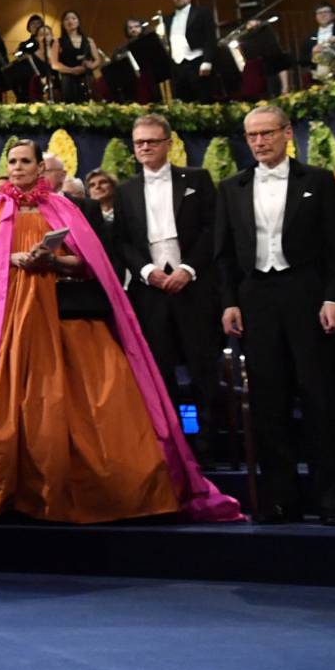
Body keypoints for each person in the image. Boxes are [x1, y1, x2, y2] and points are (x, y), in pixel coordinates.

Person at [0, 140, 239, 523]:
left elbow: (88, 263)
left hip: (63, 318)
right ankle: (7, 490)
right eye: (13, 162)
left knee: (83, 400)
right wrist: (13, 258)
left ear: (41, 168)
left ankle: (94, 488)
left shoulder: (63, 207)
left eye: (26, 162)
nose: (18, 168)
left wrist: (53, 261)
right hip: (9, 325)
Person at [216, 105, 335, 524]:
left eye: (267, 133)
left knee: (318, 397)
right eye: (252, 135)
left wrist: (334, 299)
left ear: (287, 133)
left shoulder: (319, 181)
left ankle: (331, 501)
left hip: (307, 296)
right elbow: (222, 256)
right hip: (256, 297)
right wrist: (229, 301)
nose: (259, 142)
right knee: (268, 402)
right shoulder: (231, 187)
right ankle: (280, 500)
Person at [112, 114, 225, 459]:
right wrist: (147, 271)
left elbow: (213, 229)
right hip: (150, 293)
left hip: (194, 288)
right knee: (159, 370)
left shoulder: (197, 179)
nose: (145, 147)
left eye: (152, 141)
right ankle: (171, 443)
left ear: (169, 143)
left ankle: (210, 443)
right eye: (139, 142)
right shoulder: (126, 190)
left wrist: (188, 269)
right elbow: (123, 242)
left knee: (203, 367)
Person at [165, 0, 224, 103]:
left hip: (197, 62)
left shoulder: (202, 12)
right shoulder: (168, 19)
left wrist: (207, 61)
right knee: (184, 101)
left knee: (204, 100)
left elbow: (210, 38)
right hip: (178, 66)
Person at [50, 10, 103, 102]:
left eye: (74, 18)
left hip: (86, 77)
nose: (70, 21)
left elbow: (97, 60)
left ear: (78, 21)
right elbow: (54, 64)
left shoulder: (88, 41)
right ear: (63, 24)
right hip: (67, 79)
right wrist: (71, 70)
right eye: (67, 19)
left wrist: (91, 66)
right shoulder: (58, 42)